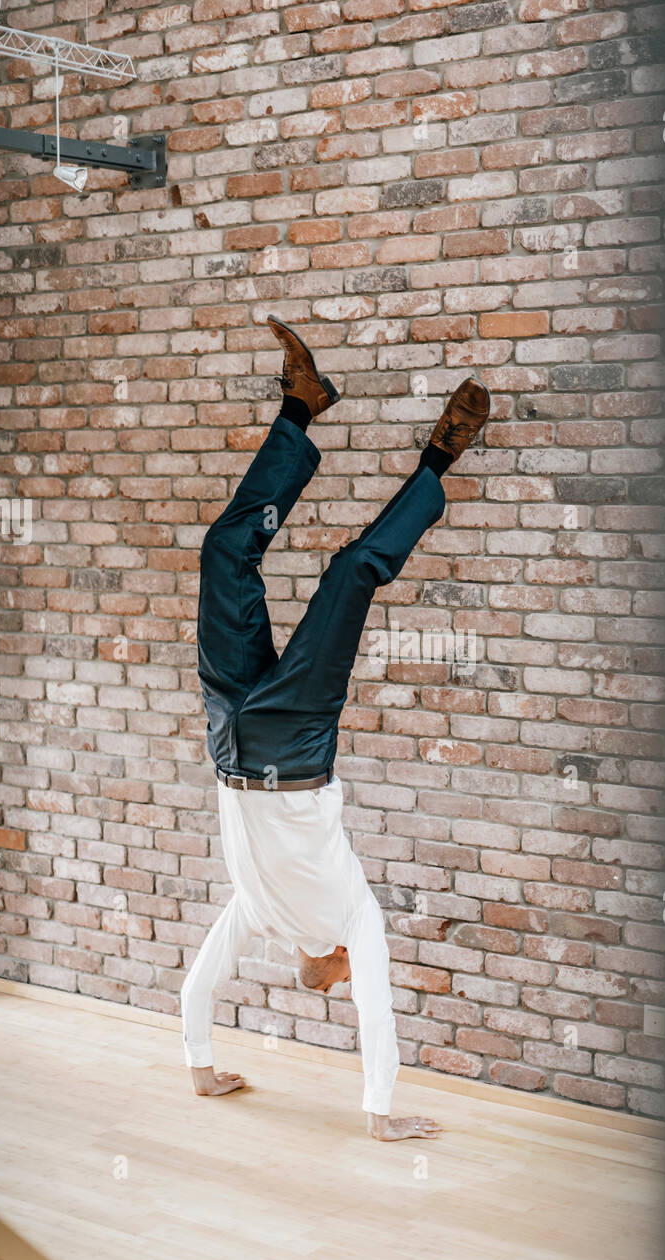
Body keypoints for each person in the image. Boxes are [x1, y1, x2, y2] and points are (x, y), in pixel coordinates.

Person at [180, 316, 490, 1141]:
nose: (324, 976)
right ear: (344, 968)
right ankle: (437, 461)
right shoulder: (355, 919)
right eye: (335, 979)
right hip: (296, 741)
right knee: (352, 570)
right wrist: (380, 1113)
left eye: (322, 980)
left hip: (227, 733)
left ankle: (300, 411)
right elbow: (378, 1008)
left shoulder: (257, 913)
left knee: (222, 555)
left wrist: (202, 1068)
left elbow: (201, 980)